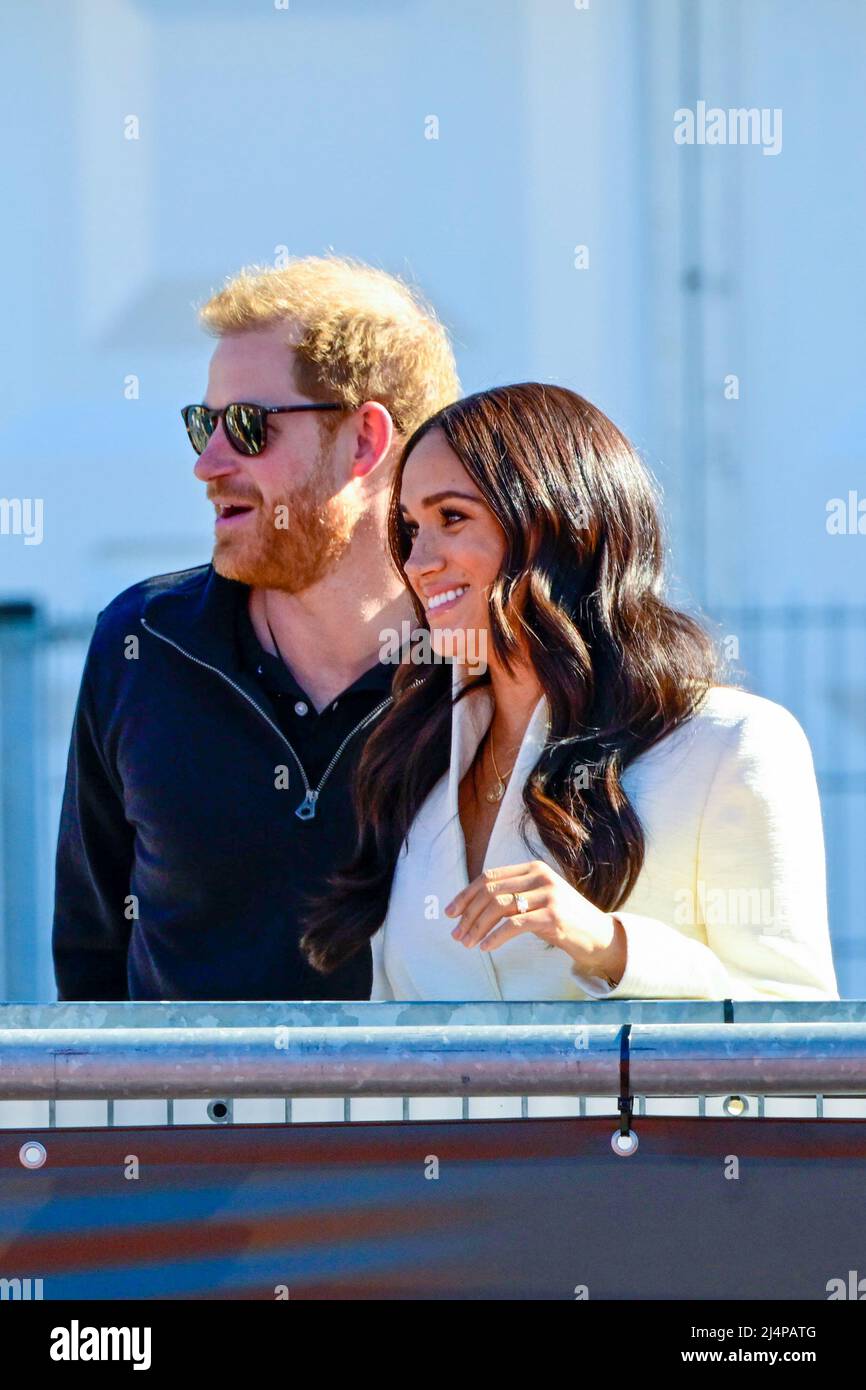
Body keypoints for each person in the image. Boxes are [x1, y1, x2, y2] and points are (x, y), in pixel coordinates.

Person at [300, 383, 840, 1001]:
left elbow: (790, 1025)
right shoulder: (410, 751)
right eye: (410, 528)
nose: (418, 561)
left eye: (452, 518)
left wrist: (610, 946)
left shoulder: (731, 742)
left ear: (554, 527)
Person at [52, 255, 459, 1000]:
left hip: (412, 1118)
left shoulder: (487, 666)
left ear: (365, 442)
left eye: (247, 427)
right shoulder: (141, 643)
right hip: (182, 1120)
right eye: (202, 424)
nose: (208, 464)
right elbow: (91, 959)